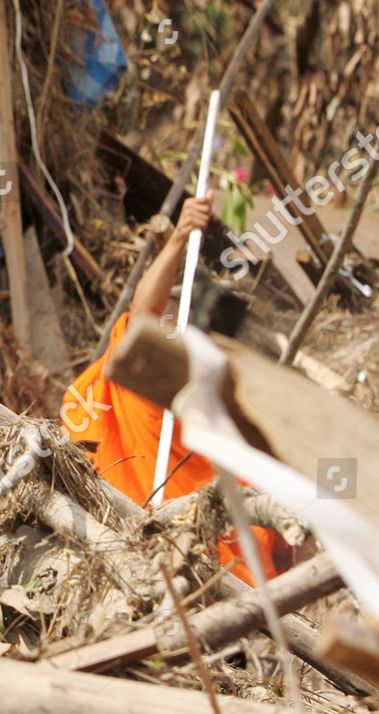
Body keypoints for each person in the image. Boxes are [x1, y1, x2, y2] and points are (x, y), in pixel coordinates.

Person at [62, 196, 289, 583]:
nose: (165, 326)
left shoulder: (217, 411)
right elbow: (143, 316)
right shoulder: (138, 384)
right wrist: (178, 238)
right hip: (130, 546)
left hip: (212, 575)